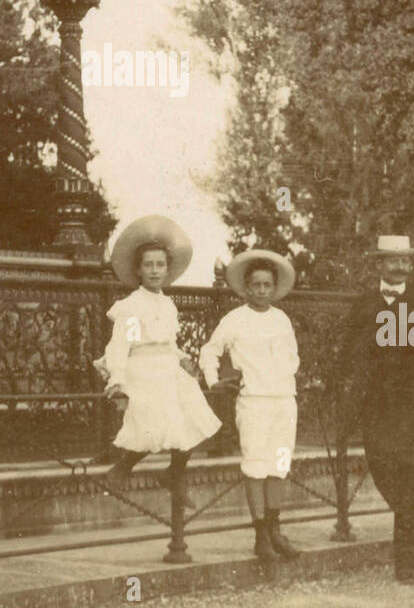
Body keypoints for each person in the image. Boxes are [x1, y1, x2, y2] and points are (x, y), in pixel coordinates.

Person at [339, 234, 414, 584]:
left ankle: (406, 568)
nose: (401, 266)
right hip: (375, 404)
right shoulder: (364, 305)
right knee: (386, 477)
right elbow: (349, 353)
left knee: (404, 482)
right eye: (393, 260)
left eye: (405, 261)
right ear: (379, 264)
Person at [95, 215, 220, 507]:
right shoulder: (131, 307)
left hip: (167, 367)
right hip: (143, 370)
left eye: (160, 265)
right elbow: (120, 346)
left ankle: (175, 473)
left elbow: (168, 343)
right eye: (148, 265)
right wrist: (117, 380)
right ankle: (122, 467)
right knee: (155, 424)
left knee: (193, 415)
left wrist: (183, 360)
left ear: (167, 269)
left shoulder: (167, 303)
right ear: (138, 270)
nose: (154, 271)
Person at [200, 250, 301, 560]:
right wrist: (214, 380)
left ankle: (275, 530)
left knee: (279, 467)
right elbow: (210, 351)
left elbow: (292, 358)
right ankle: (260, 536)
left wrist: (284, 376)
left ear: (274, 287)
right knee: (256, 467)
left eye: (267, 285)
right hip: (254, 403)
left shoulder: (281, 318)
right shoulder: (234, 319)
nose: (261, 291)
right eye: (255, 285)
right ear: (245, 288)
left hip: (284, 401)